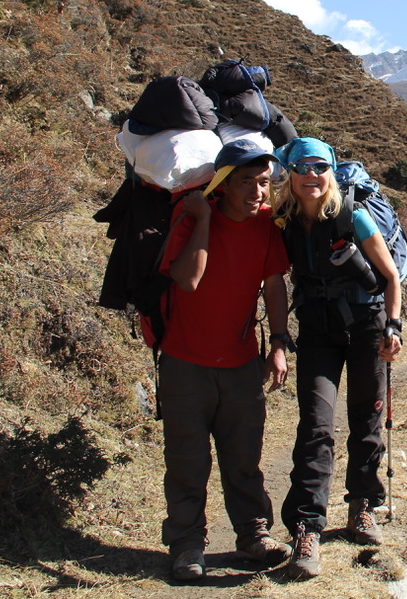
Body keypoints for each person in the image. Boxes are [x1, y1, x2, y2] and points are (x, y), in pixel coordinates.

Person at [157, 139, 293, 581]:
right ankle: (187, 546)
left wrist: (276, 343)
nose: (258, 192)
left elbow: (274, 286)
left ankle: (254, 535)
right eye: (246, 183)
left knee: (243, 457)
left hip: (239, 363)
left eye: (264, 183)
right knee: (187, 460)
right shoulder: (193, 219)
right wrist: (199, 219)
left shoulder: (266, 226)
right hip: (184, 362)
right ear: (222, 184)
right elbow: (188, 280)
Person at [272, 137, 403, 580]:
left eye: (319, 168)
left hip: (366, 326)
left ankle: (362, 506)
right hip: (316, 329)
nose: (311, 175)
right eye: (302, 168)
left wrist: (394, 327)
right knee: (315, 425)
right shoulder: (283, 221)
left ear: (330, 172)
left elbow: (390, 278)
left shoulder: (352, 216)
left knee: (367, 417)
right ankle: (307, 528)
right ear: (289, 174)